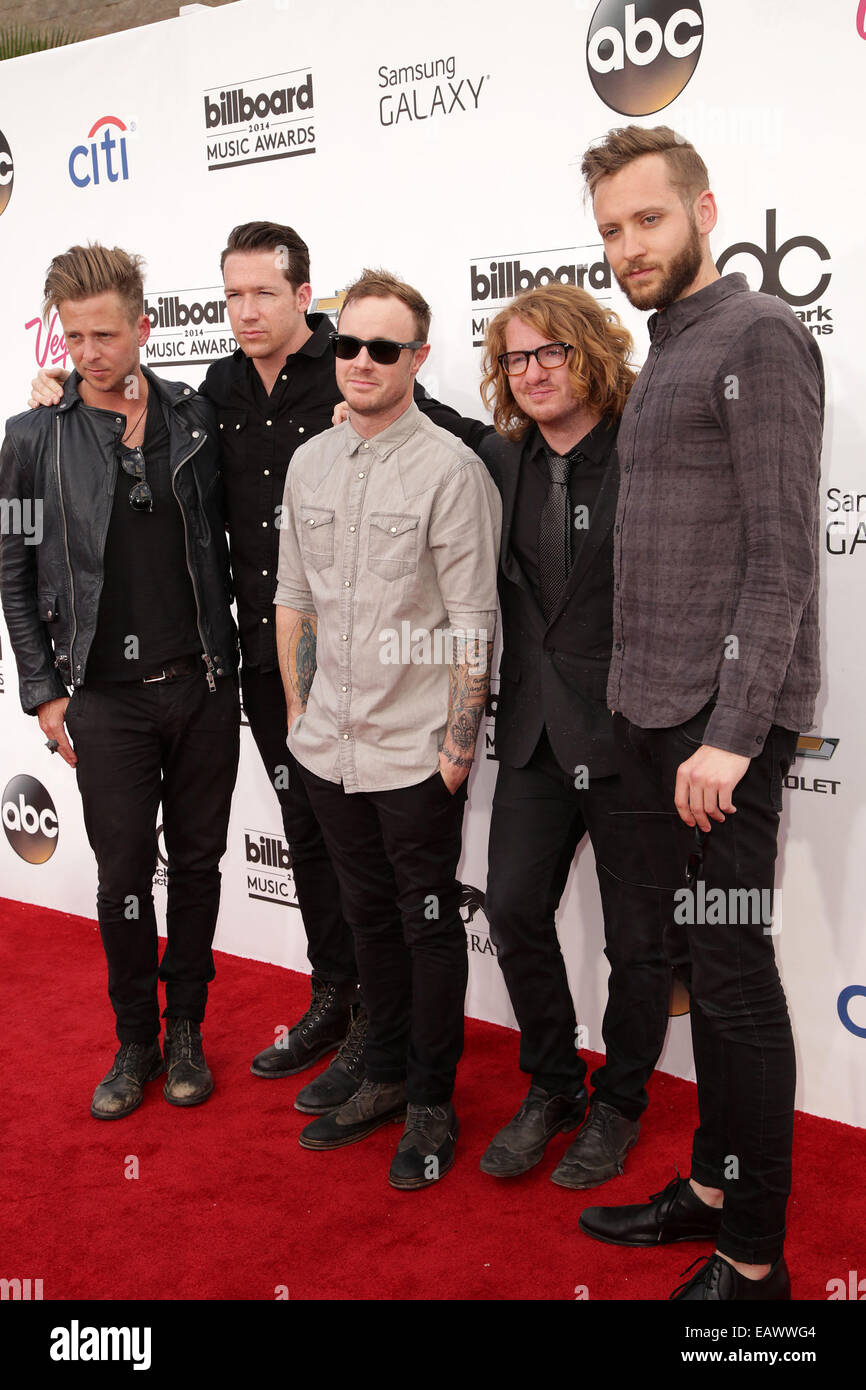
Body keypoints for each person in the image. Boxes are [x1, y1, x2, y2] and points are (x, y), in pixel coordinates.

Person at [577, 125, 823, 1300]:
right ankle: (714, 1188)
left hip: (718, 736)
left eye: (648, 219)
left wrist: (730, 733)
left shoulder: (759, 336)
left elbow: (781, 562)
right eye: (611, 229)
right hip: (653, 721)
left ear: (702, 208)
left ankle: (754, 1261)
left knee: (729, 983)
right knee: (699, 968)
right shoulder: (668, 346)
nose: (628, 245)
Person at [0, 243, 240, 1118]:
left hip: (204, 683)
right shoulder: (31, 437)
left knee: (203, 865)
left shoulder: (195, 417)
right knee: (123, 876)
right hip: (102, 698)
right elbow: (14, 569)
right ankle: (134, 1038)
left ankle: (188, 1030)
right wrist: (44, 689)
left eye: (107, 333)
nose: (91, 352)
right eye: (74, 337)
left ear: (144, 327)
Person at [274, 269, 501, 1188]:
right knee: (365, 917)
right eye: (347, 344)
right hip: (328, 744)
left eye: (383, 348)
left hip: (415, 753)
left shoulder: (451, 468)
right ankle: (380, 1071)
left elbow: (475, 622)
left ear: (417, 357)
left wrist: (454, 750)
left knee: (428, 926)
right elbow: (294, 599)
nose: (360, 362)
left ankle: (431, 1100)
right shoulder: (309, 461)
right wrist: (299, 717)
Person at [472, 284, 670, 1187]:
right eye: (516, 358)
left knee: (637, 944)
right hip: (534, 736)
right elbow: (393, 395)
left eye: (551, 352)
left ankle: (621, 1102)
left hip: (632, 735)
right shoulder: (499, 457)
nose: (534, 373)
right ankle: (554, 1084)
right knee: (511, 907)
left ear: (590, 353)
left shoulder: (650, 452)